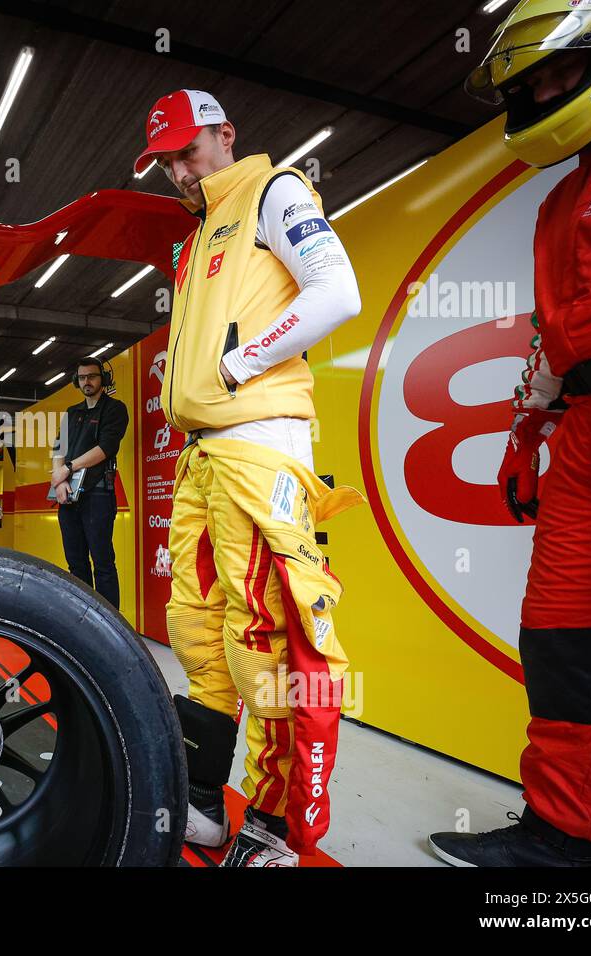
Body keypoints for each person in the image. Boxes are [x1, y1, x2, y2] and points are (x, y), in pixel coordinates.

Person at [430, 0, 591, 867]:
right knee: (564, 635)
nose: (545, 90)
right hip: (588, 430)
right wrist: (524, 439)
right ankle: (564, 839)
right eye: (529, 82)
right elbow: (553, 338)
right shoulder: (560, 200)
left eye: (561, 69)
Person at [135, 89, 364, 865]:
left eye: (186, 152)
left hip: (262, 441)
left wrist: (241, 362)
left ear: (225, 135)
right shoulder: (199, 234)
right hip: (206, 452)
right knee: (199, 633)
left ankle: (272, 831)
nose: (175, 170)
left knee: (266, 637)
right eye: (163, 160)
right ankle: (204, 806)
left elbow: (338, 291)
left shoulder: (275, 191)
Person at [51, 357, 129, 608]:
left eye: (92, 376)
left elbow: (106, 447)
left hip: (98, 496)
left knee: (103, 563)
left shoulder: (115, 409)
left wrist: (69, 468)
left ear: (103, 379)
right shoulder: (72, 413)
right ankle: (81, 618)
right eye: (82, 377)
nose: (87, 381)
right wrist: (59, 479)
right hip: (69, 497)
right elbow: (59, 448)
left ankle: (109, 626)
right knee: (76, 563)